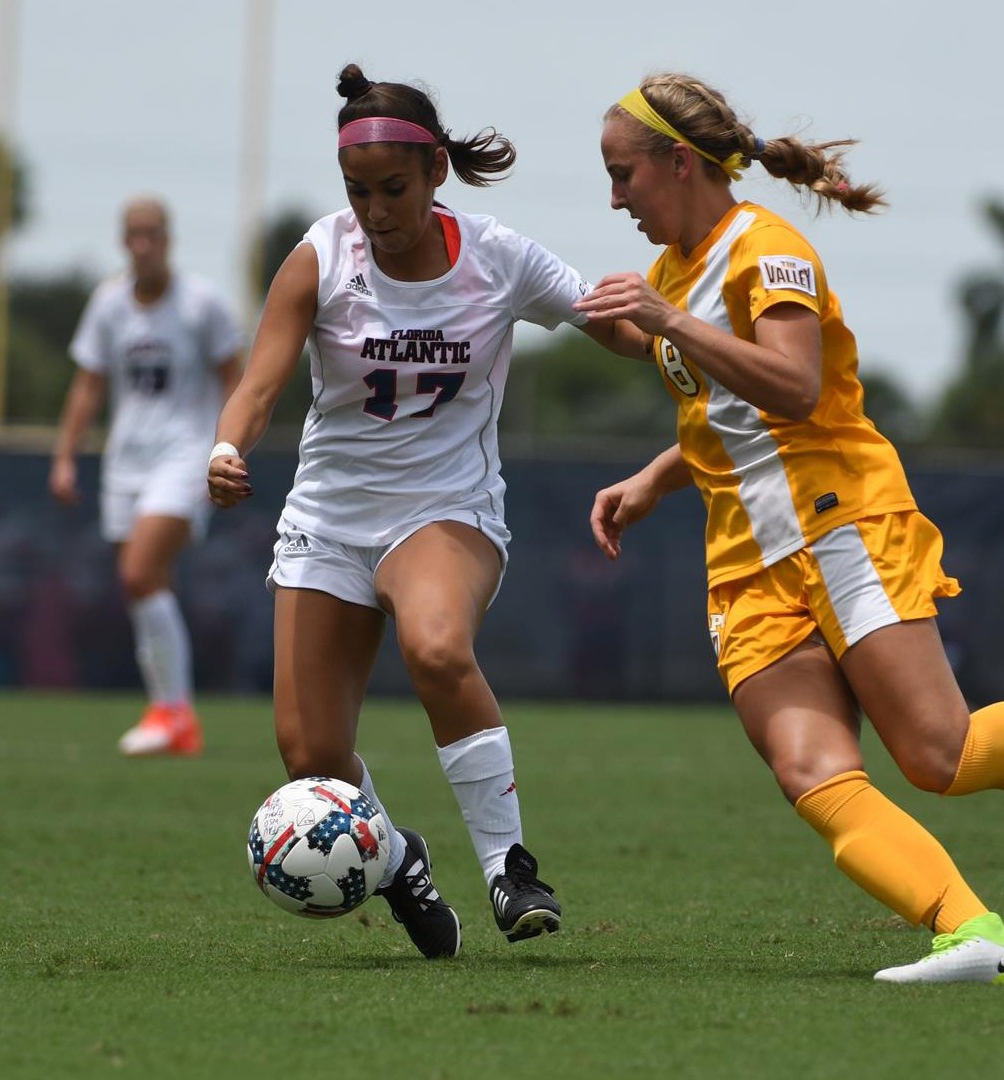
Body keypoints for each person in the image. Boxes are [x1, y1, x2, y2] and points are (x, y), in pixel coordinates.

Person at [578, 73, 1004, 985]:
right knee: (809, 770)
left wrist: (666, 321)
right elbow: (730, 412)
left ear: (678, 162)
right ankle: (973, 934)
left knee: (937, 756)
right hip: (746, 563)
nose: (613, 199)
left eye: (622, 174)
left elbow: (796, 389)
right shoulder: (675, 273)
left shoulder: (766, 247)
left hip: (840, 526)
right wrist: (652, 475)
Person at [207, 65, 646, 959]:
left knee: (438, 646)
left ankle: (508, 868)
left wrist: (691, 336)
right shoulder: (321, 257)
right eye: (358, 191)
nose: (375, 210)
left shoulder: (499, 257)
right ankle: (401, 858)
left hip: (446, 511)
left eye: (393, 190)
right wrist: (226, 446)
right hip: (329, 521)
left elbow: (618, 330)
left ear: (436, 171)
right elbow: (259, 383)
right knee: (311, 761)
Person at [50, 196, 243, 756]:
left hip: (185, 455)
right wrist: (66, 456)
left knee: (139, 571)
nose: (143, 244)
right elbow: (88, 383)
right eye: (133, 234)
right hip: (126, 460)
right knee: (147, 585)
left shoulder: (201, 303)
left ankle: (172, 710)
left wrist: (227, 447)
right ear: (123, 240)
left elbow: (237, 378)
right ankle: (175, 716)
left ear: (168, 238)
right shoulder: (108, 304)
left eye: (152, 234)